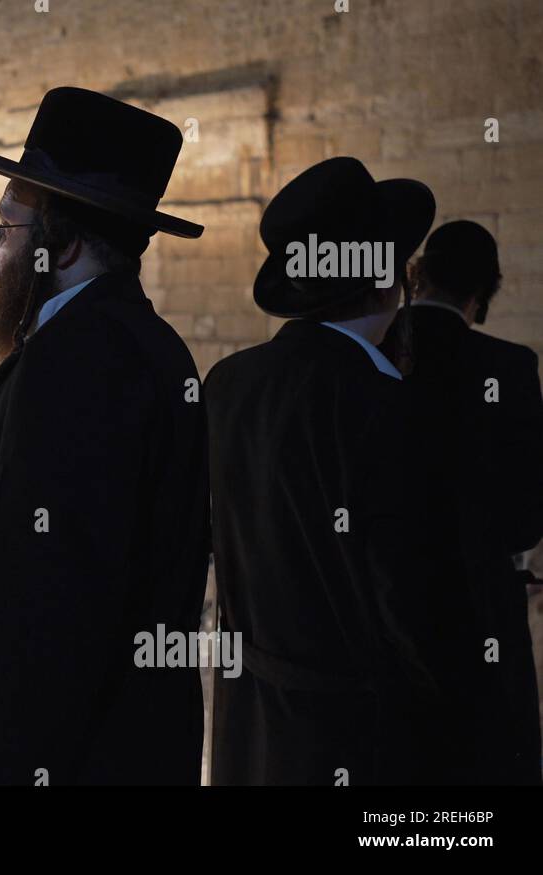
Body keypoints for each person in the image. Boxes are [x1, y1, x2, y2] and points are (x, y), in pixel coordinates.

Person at [0, 88, 211, 785]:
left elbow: (41, 623)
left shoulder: (76, 368)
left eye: (5, 227)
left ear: (60, 245)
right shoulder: (151, 349)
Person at [206, 157, 476, 785]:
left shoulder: (228, 384)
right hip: (361, 739)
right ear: (389, 280)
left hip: (251, 727)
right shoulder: (389, 407)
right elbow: (412, 601)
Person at [381, 221, 543, 784]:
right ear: (483, 293)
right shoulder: (511, 367)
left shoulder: (375, 350)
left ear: (418, 275)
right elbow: (524, 520)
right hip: (479, 610)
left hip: (380, 606)